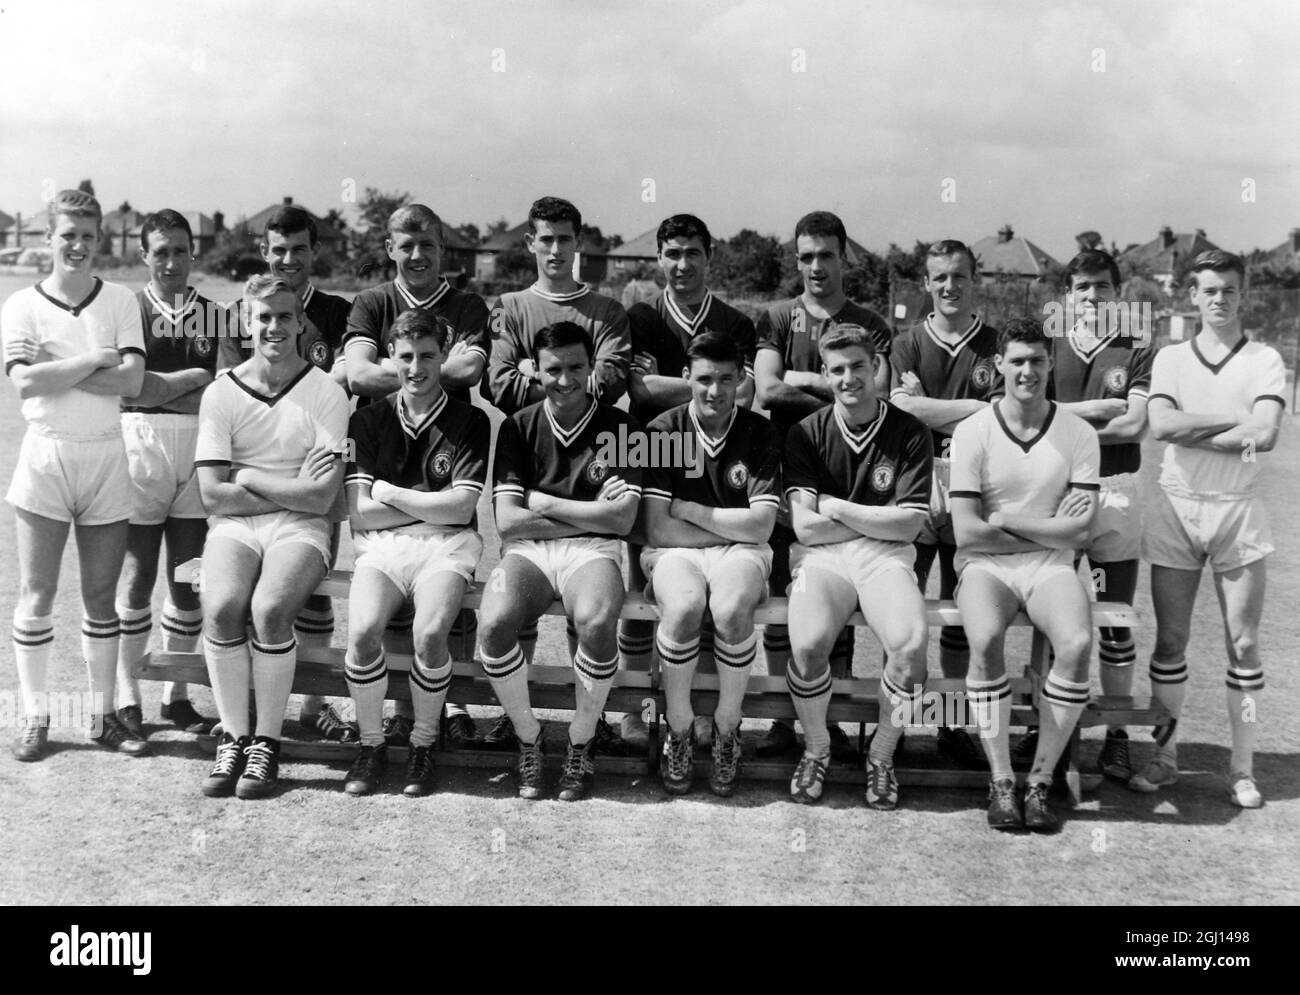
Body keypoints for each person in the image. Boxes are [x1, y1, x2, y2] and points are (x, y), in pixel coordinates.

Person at [1134, 250, 1285, 809]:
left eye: (1229, 290)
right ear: (1192, 297)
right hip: (1177, 505)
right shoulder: (1172, 358)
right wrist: (1236, 421)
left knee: (1243, 643)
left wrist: (1189, 429)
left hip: (1238, 507)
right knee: (1171, 640)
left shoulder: (1265, 359)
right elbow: (1160, 424)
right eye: (1209, 290)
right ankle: (1166, 757)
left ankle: (1242, 768)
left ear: (1242, 295)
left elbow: (1264, 437)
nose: (1219, 299)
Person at [482, 196, 632, 752]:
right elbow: (497, 382)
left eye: (563, 239)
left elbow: (613, 382)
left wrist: (539, 368)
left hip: (581, 479)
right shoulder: (512, 305)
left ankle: (587, 727)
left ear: (578, 243)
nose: (553, 249)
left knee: (591, 612)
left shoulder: (607, 309)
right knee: (507, 610)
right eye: (543, 239)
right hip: (539, 459)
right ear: (530, 243)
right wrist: (539, 376)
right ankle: (514, 717)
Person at [4, 189, 147, 760]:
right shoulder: (20, 305)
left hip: (105, 454)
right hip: (46, 454)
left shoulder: (118, 301)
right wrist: (94, 360)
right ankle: (36, 717)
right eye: (68, 235)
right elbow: (24, 383)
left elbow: (133, 383)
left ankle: (103, 715)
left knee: (100, 596)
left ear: (101, 239)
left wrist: (54, 367)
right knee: (37, 591)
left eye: (89, 235)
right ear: (48, 238)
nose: (79, 246)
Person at [344, 203, 492, 749]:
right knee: (383, 601)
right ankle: (399, 712)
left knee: (444, 613)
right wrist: (423, 371)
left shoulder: (468, 303)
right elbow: (356, 374)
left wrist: (409, 374)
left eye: (427, 243)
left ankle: (446, 704)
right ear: (390, 249)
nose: (417, 254)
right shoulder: (372, 301)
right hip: (392, 447)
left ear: (442, 247)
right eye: (405, 245)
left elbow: (469, 369)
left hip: (445, 446)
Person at [194, 275, 348, 798]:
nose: (274, 327)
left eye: (285, 316)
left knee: (270, 610)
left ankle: (267, 742)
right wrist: (293, 485)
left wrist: (252, 478)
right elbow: (213, 497)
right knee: (220, 610)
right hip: (236, 526)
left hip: (302, 528)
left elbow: (322, 500)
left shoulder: (327, 390)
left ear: (301, 321)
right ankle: (234, 738)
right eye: (263, 317)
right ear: (245, 321)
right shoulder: (221, 391)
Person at [476, 321, 641, 800]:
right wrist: (594, 514)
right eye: (553, 370)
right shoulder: (517, 425)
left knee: (594, 620)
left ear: (592, 368)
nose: (565, 380)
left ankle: (580, 740)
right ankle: (529, 738)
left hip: (593, 552)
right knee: (493, 624)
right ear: (535, 371)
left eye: (576, 368)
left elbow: (625, 521)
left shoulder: (623, 426)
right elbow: (508, 523)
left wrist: (546, 504)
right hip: (529, 552)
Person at [949, 317, 1099, 831]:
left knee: (1077, 644)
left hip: (1049, 567)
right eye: (1017, 361)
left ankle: (1039, 781)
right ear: (998, 367)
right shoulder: (973, 430)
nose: (1028, 370)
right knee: (986, 637)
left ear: (1050, 363)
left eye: (1037, 360)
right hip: (985, 566)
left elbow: (1080, 535)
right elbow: (967, 534)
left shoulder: (1078, 432)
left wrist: (1010, 519)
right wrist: (1052, 525)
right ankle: (1002, 780)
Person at [753, 211, 892, 760]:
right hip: (788, 476)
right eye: (806, 256)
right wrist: (835, 391)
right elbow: (767, 390)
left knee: (839, 603)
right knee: (788, 602)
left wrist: (802, 379)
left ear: (844, 258)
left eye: (826, 255)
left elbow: (874, 400)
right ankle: (785, 721)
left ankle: (829, 717)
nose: (816, 266)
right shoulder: (778, 317)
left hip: (850, 480)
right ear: (796, 260)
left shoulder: (870, 323)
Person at [621, 213, 758, 748]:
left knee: (705, 587)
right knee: (644, 582)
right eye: (672, 253)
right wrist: (706, 390)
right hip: (653, 444)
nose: (682, 264)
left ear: (710, 255)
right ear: (659, 258)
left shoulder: (735, 322)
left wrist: (679, 387)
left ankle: (699, 708)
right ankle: (635, 707)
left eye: (692, 253)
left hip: (719, 453)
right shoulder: (642, 315)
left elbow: (743, 396)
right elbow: (640, 392)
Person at [220, 204, 356, 743]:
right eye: (278, 250)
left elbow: (345, 382)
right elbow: (231, 392)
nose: (289, 259)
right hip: (262, 463)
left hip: (321, 461)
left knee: (310, 582)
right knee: (249, 585)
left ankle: (314, 703)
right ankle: (253, 701)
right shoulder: (242, 312)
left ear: (314, 251)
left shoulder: (339, 312)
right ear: (264, 251)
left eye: (299, 249)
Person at [782, 327, 932, 807]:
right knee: (806, 644)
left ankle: (882, 754)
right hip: (822, 558)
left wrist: (837, 507)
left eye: (859, 367)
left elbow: (908, 527)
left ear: (876, 368)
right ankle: (817, 747)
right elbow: (805, 529)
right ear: (825, 375)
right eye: (838, 370)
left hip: (885, 558)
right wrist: (873, 520)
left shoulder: (909, 431)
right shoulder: (805, 432)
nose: (849, 378)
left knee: (909, 646)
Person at [641, 332, 779, 796]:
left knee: (731, 608)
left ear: (742, 379)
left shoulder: (760, 431)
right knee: (682, 607)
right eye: (703, 380)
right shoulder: (663, 431)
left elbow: (761, 527)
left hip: (740, 552)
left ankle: (727, 724)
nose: (714, 391)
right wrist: (729, 523)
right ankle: (678, 728)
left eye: (725, 379)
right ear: (686, 378)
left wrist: (695, 511)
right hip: (674, 551)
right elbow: (658, 529)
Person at [1038, 248, 1151, 780]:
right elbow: (1029, 415)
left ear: (1117, 293)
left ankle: (1118, 734)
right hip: (1058, 490)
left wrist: (1064, 422)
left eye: (1101, 287)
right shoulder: (1049, 342)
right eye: (1081, 288)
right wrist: (1086, 417)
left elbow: (1132, 427)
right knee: (1049, 614)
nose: (1091, 297)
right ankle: (1046, 732)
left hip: (1114, 492)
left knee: (1115, 618)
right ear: (1067, 294)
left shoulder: (1137, 346)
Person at [889, 239, 1002, 770]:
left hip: (972, 482)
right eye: (939, 278)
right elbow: (904, 414)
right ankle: (898, 724)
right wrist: (976, 408)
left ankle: (953, 725)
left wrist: (932, 408)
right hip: (915, 479)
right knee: (907, 611)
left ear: (973, 279)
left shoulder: (994, 342)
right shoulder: (909, 343)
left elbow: (999, 419)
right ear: (926, 284)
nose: (949, 286)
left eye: (959, 276)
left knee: (960, 614)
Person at [114, 210, 225, 738]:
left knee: (189, 582)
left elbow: (221, 394)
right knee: (136, 579)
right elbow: (131, 390)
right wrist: (192, 379)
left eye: (180, 250)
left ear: (192, 253)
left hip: (196, 453)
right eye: (161, 251)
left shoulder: (214, 313)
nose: (172, 261)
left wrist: (163, 387)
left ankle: (175, 694)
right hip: (138, 448)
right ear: (144, 255)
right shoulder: (126, 310)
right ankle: (126, 695)